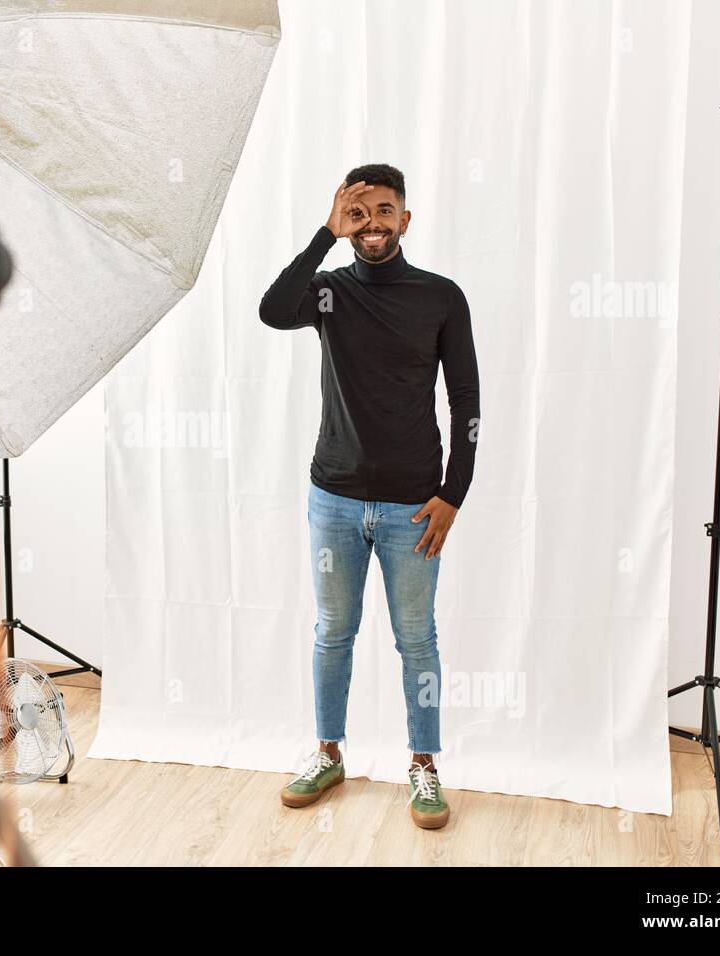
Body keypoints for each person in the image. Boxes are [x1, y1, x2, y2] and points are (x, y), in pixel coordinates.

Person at [259, 164, 480, 829]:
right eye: (359, 212)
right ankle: (328, 753)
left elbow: (467, 401)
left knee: (417, 637)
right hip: (333, 499)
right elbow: (273, 310)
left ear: (405, 219)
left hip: (414, 505)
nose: (373, 223)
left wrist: (453, 495)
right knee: (334, 631)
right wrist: (324, 236)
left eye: (384, 211)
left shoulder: (440, 296)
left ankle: (424, 765)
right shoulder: (326, 293)